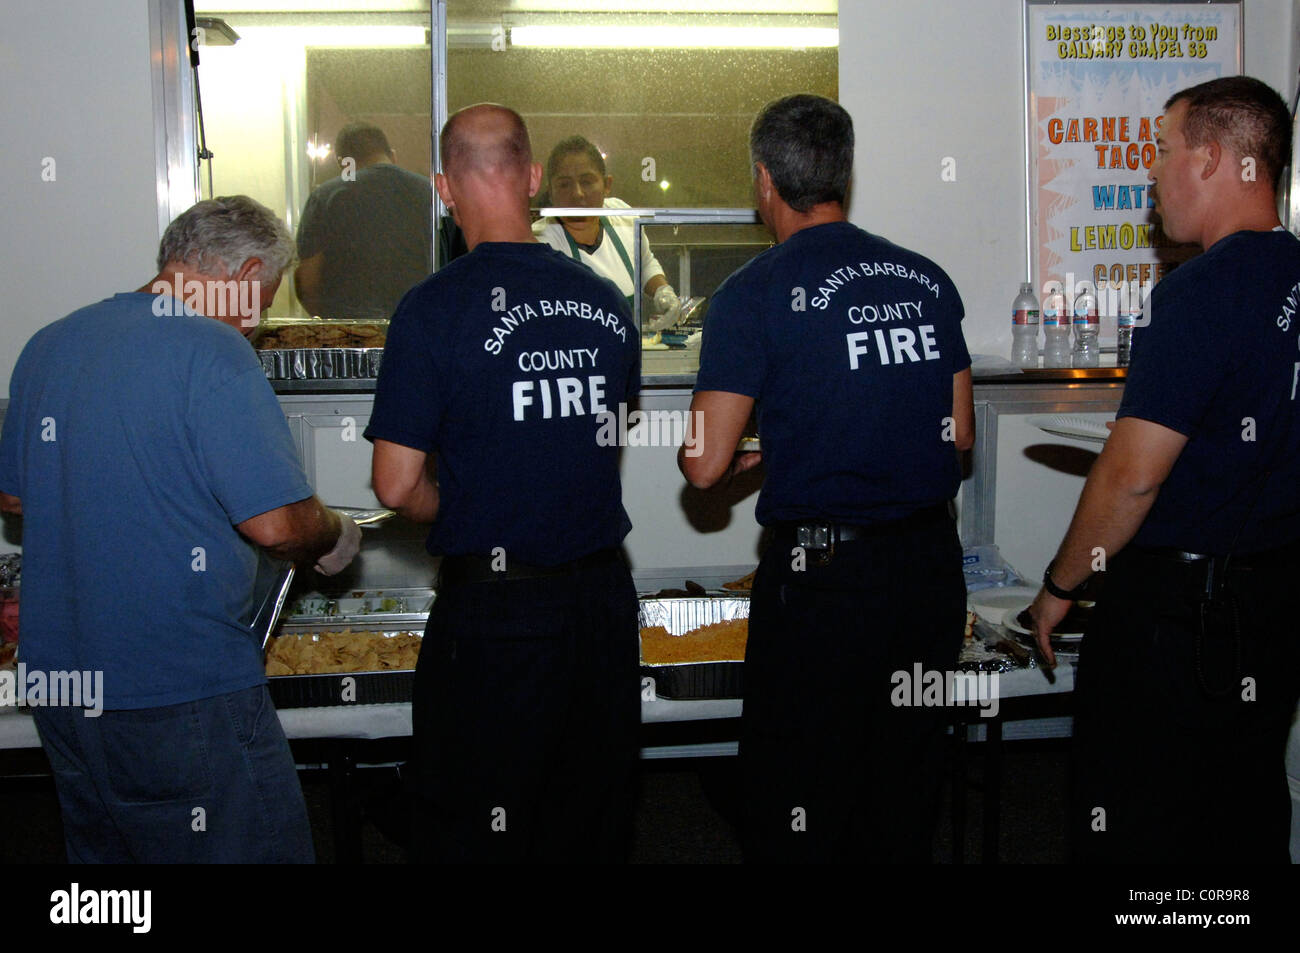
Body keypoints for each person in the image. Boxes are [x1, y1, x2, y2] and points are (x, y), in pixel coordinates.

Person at [0, 195, 362, 863]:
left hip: (61, 688)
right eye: (261, 299)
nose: (254, 325)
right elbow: (279, 525)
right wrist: (334, 533)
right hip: (178, 688)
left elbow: (16, 498)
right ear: (247, 269)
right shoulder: (216, 353)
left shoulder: (48, 344)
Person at [680, 94, 974, 862]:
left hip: (821, 583)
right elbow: (960, 434)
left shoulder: (751, 292)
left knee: (800, 794)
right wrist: (796, 435)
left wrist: (749, 436)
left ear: (763, 181)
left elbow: (705, 463)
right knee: (904, 783)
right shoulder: (925, 279)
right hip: (929, 573)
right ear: (843, 172)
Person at [1027, 75, 1300, 863]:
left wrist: (1060, 586)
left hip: (1181, 620)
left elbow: (1132, 477)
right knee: (1244, 810)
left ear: (1212, 159)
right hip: (1276, 604)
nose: (1151, 171)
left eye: (1162, 149)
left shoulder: (1198, 293)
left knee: (1137, 819)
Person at [365, 104, 641, 863]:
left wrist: (451, 503)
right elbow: (594, 436)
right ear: (529, 179)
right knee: (590, 814)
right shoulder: (608, 304)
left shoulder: (430, 311)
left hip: (496, 613)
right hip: (602, 607)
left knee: (477, 819)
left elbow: (394, 484)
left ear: (443, 188)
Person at [533, 135, 683, 330]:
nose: (577, 193)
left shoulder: (624, 217)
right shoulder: (538, 242)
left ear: (607, 185)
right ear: (551, 192)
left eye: (587, 182)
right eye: (564, 184)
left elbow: (644, 262)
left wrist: (663, 292)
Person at [295, 121, 433, 319]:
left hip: (351, 331)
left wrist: (331, 323)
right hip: (418, 321)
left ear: (343, 163)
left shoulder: (326, 197)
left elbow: (308, 279)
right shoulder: (430, 194)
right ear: (392, 155)